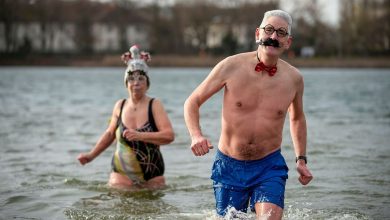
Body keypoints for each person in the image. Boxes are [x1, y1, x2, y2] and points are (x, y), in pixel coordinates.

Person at [184, 10, 313, 219]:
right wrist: (196, 135)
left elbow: (297, 118)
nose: (273, 37)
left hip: (269, 165)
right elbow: (192, 102)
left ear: (288, 42)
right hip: (229, 165)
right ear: (257, 34)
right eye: (269, 30)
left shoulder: (294, 79)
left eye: (280, 33)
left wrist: (301, 159)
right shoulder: (230, 66)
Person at [78, 45, 175, 190]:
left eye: (141, 78)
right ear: (126, 83)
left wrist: (140, 136)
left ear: (147, 84)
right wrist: (91, 155)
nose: (136, 83)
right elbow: (110, 134)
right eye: (131, 79)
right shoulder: (120, 105)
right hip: (121, 172)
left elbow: (169, 136)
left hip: (152, 172)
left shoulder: (155, 105)